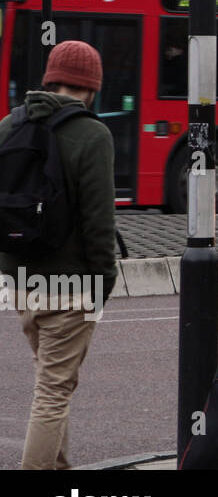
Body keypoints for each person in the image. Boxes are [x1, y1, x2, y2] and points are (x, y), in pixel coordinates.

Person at [0, 41, 117, 469]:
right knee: (51, 393)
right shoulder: (92, 135)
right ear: (92, 86)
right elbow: (99, 223)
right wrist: (103, 284)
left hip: (21, 281)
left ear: (51, 78)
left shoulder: (9, 126)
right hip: (72, 288)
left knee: (53, 382)